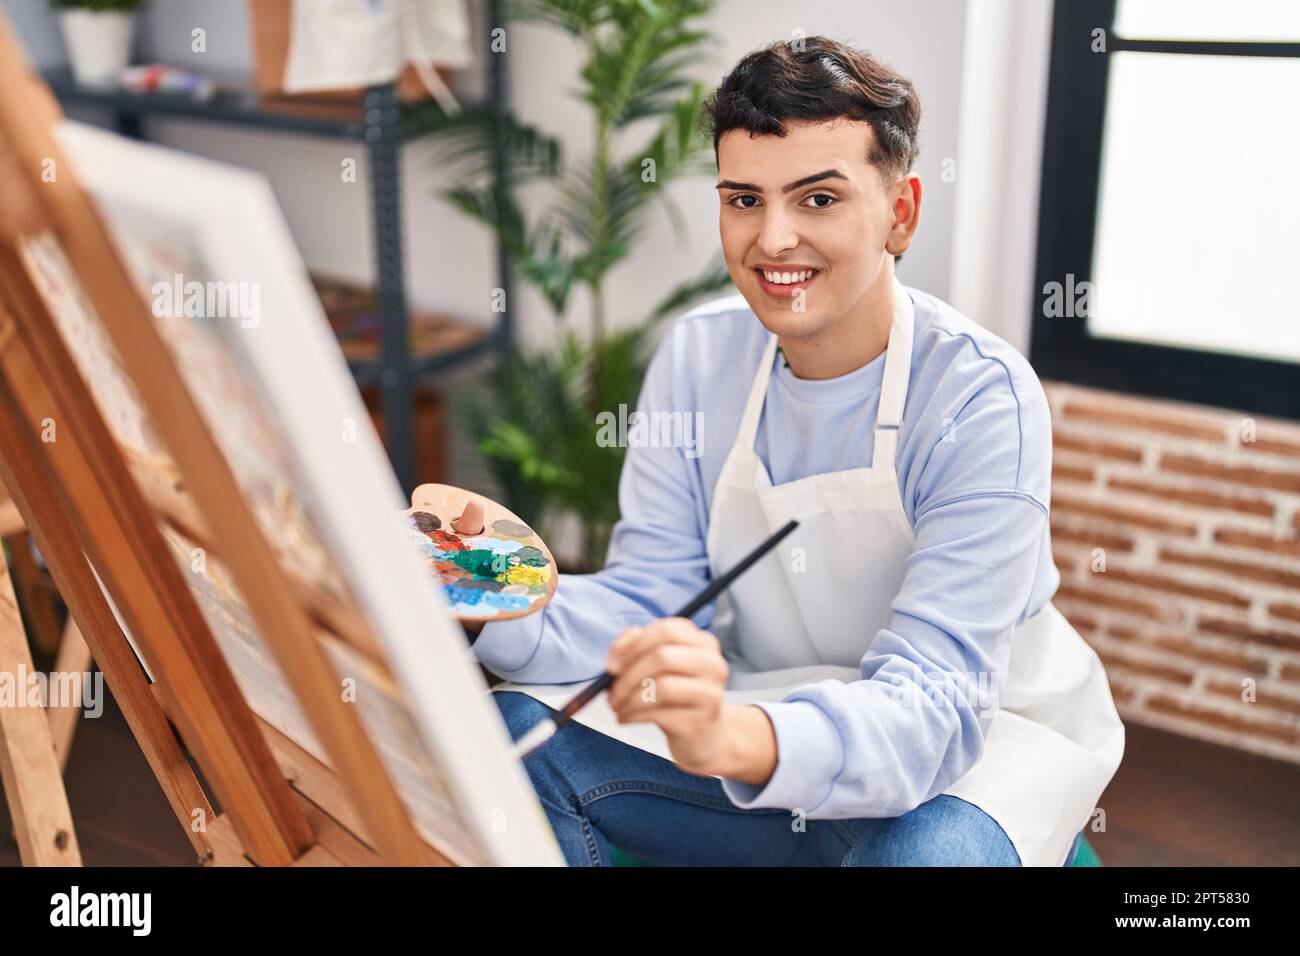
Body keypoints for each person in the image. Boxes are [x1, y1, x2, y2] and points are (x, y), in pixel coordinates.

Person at [466, 35, 1125, 867]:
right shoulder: (699, 355)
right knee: (514, 729)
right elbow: (659, 597)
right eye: (744, 200)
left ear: (902, 213)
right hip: (762, 711)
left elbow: (934, 706)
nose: (773, 239)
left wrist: (739, 739)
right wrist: (479, 600)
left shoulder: (980, 396)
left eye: (817, 200)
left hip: (972, 753)